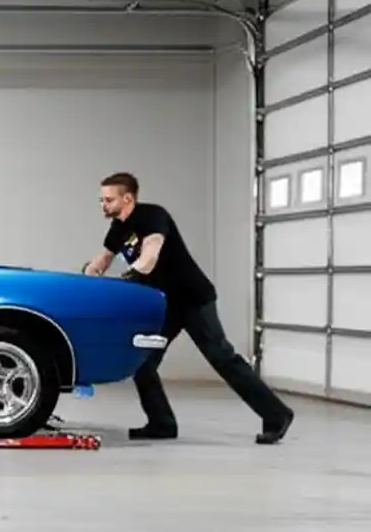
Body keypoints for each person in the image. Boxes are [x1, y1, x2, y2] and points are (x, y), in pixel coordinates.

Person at [82, 172, 295, 444]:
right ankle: (162, 423)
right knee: (144, 363)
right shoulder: (118, 228)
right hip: (166, 304)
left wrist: (131, 277)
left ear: (128, 198)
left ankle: (277, 415)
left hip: (193, 298)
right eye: (101, 200)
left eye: (109, 200)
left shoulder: (152, 216)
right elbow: (102, 260)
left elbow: (150, 255)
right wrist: (87, 276)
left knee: (222, 358)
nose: (103, 205)